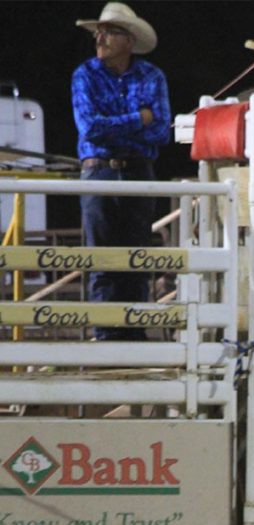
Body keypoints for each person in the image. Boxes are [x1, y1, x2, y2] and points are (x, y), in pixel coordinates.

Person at [72, 2, 170, 341]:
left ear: (128, 40)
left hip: (133, 171)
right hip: (102, 171)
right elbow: (90, 128)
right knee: (103, 259)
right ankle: (105, 334)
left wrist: (117, 125)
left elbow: (161, 132)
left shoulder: (151, 76)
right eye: (99, 32)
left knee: (134, 258)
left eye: (109, 32)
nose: (99, 38)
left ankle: (131, 333)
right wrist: (137, 119)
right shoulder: (85, 74)